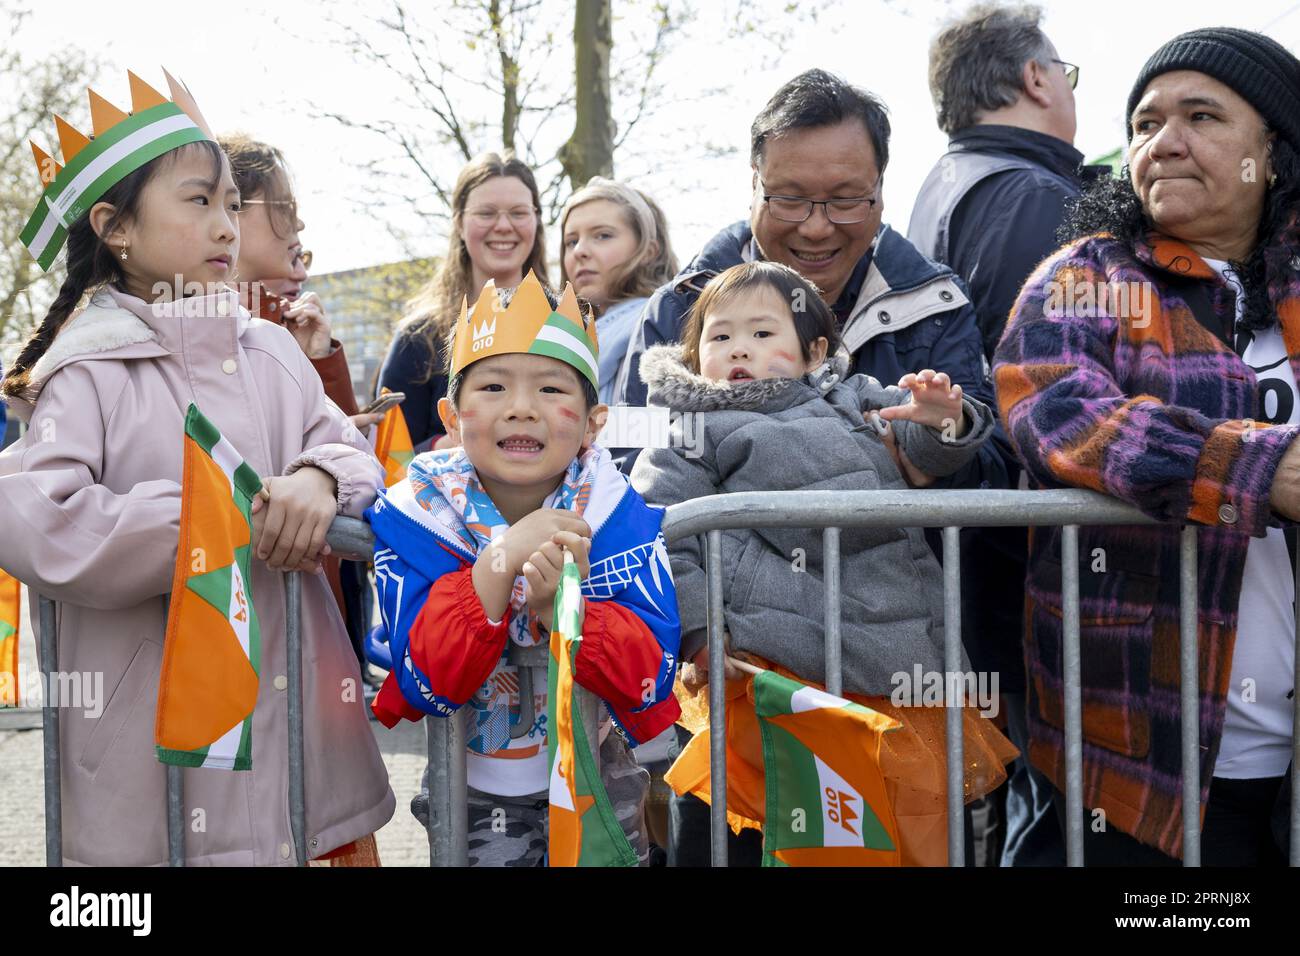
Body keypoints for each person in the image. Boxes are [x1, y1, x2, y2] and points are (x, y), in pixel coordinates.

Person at [0, 71, 394, 864]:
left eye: (230, 205)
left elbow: (353, 452)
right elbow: (35, 513)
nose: (226, 226)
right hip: (154, 778)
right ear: (114, 227)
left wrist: (319, 479)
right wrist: (210, 525)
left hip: (300, 767)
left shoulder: (271, 349)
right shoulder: (85, 371)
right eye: (198, 202)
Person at [994, 28, 1300, 865]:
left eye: (1201, 116)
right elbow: (1057, 410)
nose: (1163, 143)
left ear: (1273, 151)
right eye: (1143, 123)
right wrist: (1253, 468)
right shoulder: (1087, 276)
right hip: (1138, 760)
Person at [629, 261, 1016, 865]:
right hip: (772, 667)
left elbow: (922, 455)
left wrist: (945, 419)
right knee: (772, 829)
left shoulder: (853, 397)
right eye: (719, 336)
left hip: (896, 652)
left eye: (762, 334)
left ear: (813, 352)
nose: (739, 350)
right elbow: (662, 537)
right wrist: (700, 633)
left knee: (891, 835)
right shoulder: (689, 428)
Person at [366, 272, 682, 866]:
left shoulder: (622, 518)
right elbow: (422, 674)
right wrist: (502, 558)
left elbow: (650, 675)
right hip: (472, 794)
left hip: (598, 784)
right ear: (452, 416)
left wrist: (565, 612)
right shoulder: (412, 518)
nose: (519, 409)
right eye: (491, 386)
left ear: (593, 422)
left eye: (550, 390)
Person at [908, 1, 1102, 867]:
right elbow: (1047, 391)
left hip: (971, 556)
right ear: (1034, 78)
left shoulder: (946, 184)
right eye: (1065, 71)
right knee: (1055, 809)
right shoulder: (1035, 194)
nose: (1066, 87)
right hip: (1026, 562)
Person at [613, 69, 1004, 493]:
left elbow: (993, 470)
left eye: (846, 200)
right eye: (790, 200)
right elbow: (623, 462)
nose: (817, 228)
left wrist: (935, 458)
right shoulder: (679, 307)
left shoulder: (937, 307)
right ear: (754, 183)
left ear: (880, 189)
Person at [377, 152, 548, 449]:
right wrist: (448, 444)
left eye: (519, 213)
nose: (504, 225)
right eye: (486, 213)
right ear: (459, 222)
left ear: (536, 220)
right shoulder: (418, 339)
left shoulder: (564, 325)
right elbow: (389, 455)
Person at [559, 177, 678, 404]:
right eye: (571, 242)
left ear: (648, 251)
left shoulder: (662, 327)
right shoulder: (559, 337)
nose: (580, 251)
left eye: (603, 235)